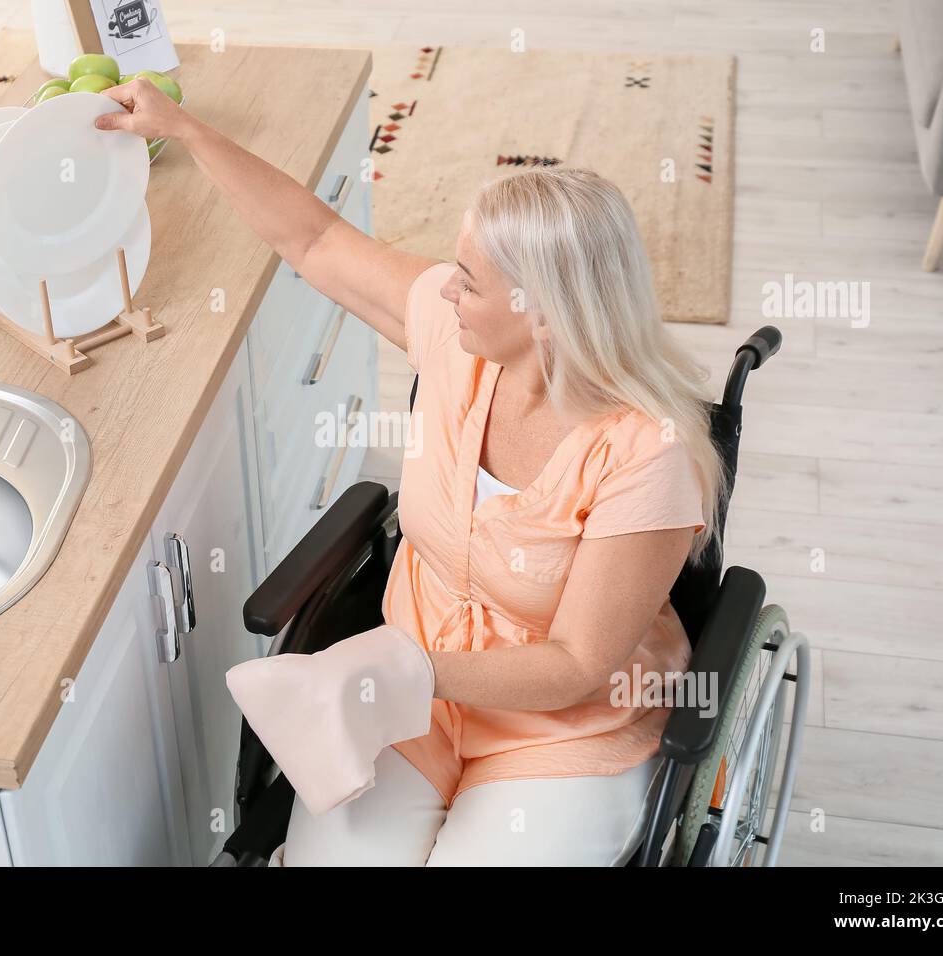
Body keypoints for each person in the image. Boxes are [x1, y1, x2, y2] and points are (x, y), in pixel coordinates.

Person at [97, 78, 724, 866]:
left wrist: (406, 672)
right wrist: (185, 129)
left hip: (559, 725)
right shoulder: (459, 343)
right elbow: (314, 242)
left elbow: (575, 666)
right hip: (411, 698)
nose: (445, 288)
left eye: (469, 279)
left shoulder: (646, 457)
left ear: (544, 313)